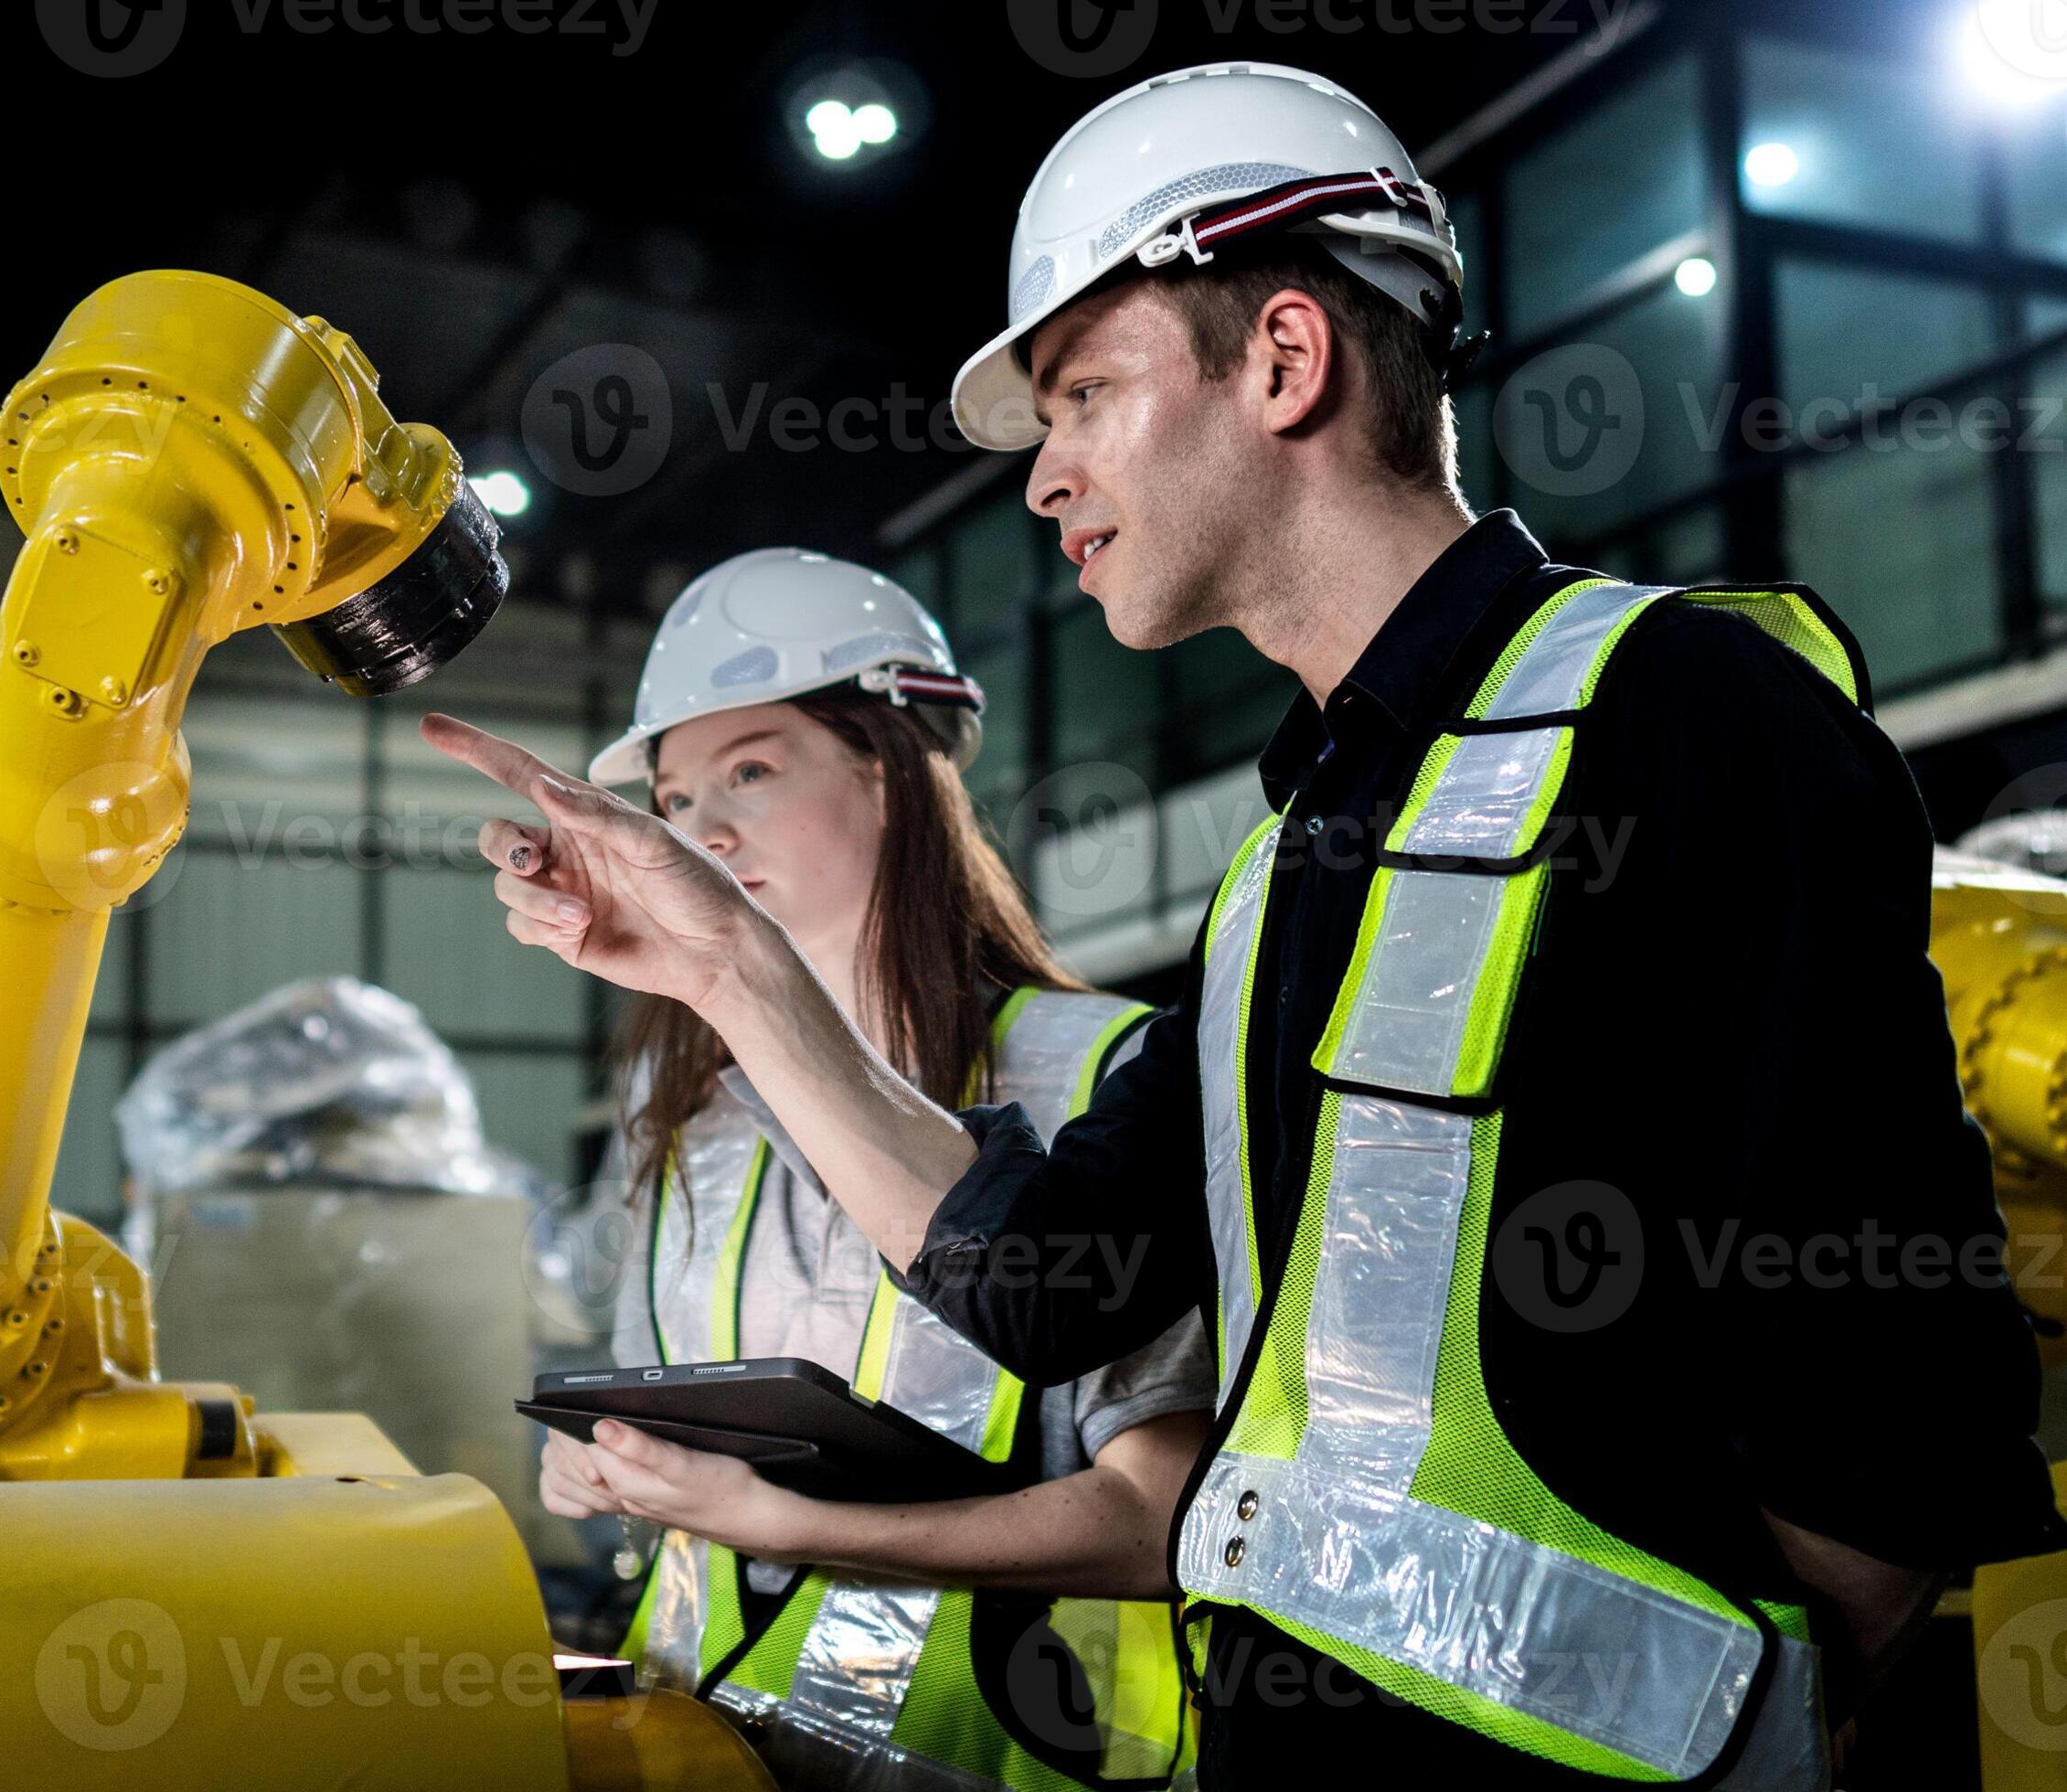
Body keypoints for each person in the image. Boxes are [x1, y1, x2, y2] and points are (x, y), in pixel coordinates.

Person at [432, 60, 2067, 1792]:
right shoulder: (1286, 859)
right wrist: (722, 965)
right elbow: (1053, 1281)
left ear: (1284, 359)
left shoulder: (1683, 709)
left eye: (1082, 399)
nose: (1047, 482)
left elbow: (1890, 1406)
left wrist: (1741, 1720)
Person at [541, 547, 1209, 1790]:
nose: (706, 831)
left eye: (751, 768)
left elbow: (1168, 1521)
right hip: (701, 1751)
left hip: (1005, 1760)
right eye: (676, 802)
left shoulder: (1108, 1076)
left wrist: (799, 1531)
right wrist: (614, 1463)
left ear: (892, 773)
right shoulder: (696, 1114)